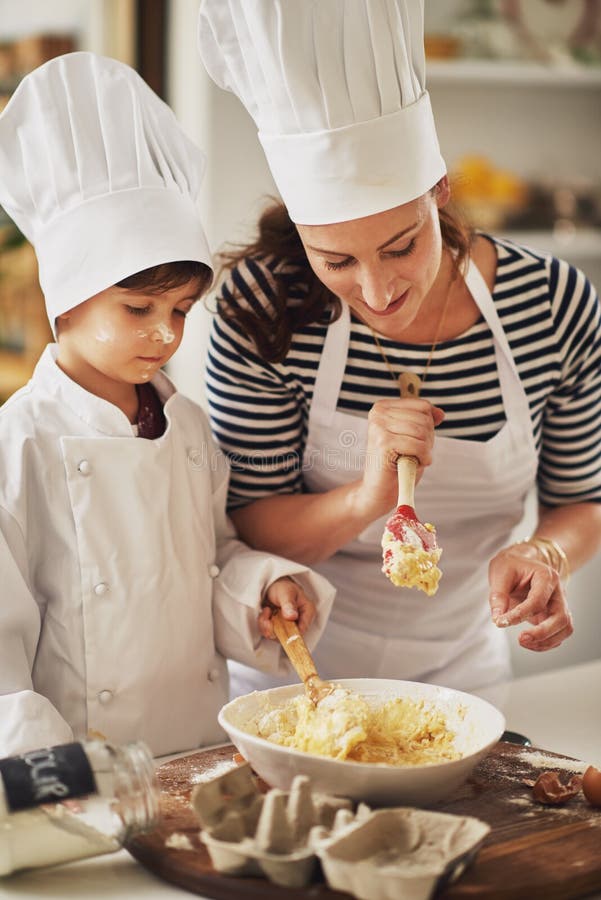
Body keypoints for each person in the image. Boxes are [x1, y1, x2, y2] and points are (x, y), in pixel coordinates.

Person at [197, 0, 601, 702]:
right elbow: (252, 524)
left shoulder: (552, 303)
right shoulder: (264, 310)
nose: (377, 291)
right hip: (292, 665)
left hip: (464, 670)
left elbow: (583, 501)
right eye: (336, 261)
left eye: (400, 245)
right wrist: (367, 497)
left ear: (439, 192)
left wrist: (544, 553)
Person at [0, 52, 335, 758]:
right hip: (83, 765)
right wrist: (47, 784)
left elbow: (205, 560)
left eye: (182, 309)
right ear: (67, 299)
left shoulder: (183, 425)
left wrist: (261, 586)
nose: (165, 333)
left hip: (197, 749)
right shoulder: (20, 443)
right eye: (137, 307)